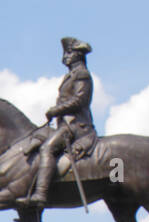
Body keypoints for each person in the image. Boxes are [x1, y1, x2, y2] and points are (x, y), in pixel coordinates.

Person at [18, 36, 98, 211]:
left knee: (47, 148)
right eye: (65, 53)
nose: (66, 56)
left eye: (69, 53)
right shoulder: (71, 75)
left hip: (76, 126)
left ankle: (41, 194)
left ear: (78, 54)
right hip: (65, 124)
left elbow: (80, 100)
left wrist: (57, 110)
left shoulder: (82, 74)